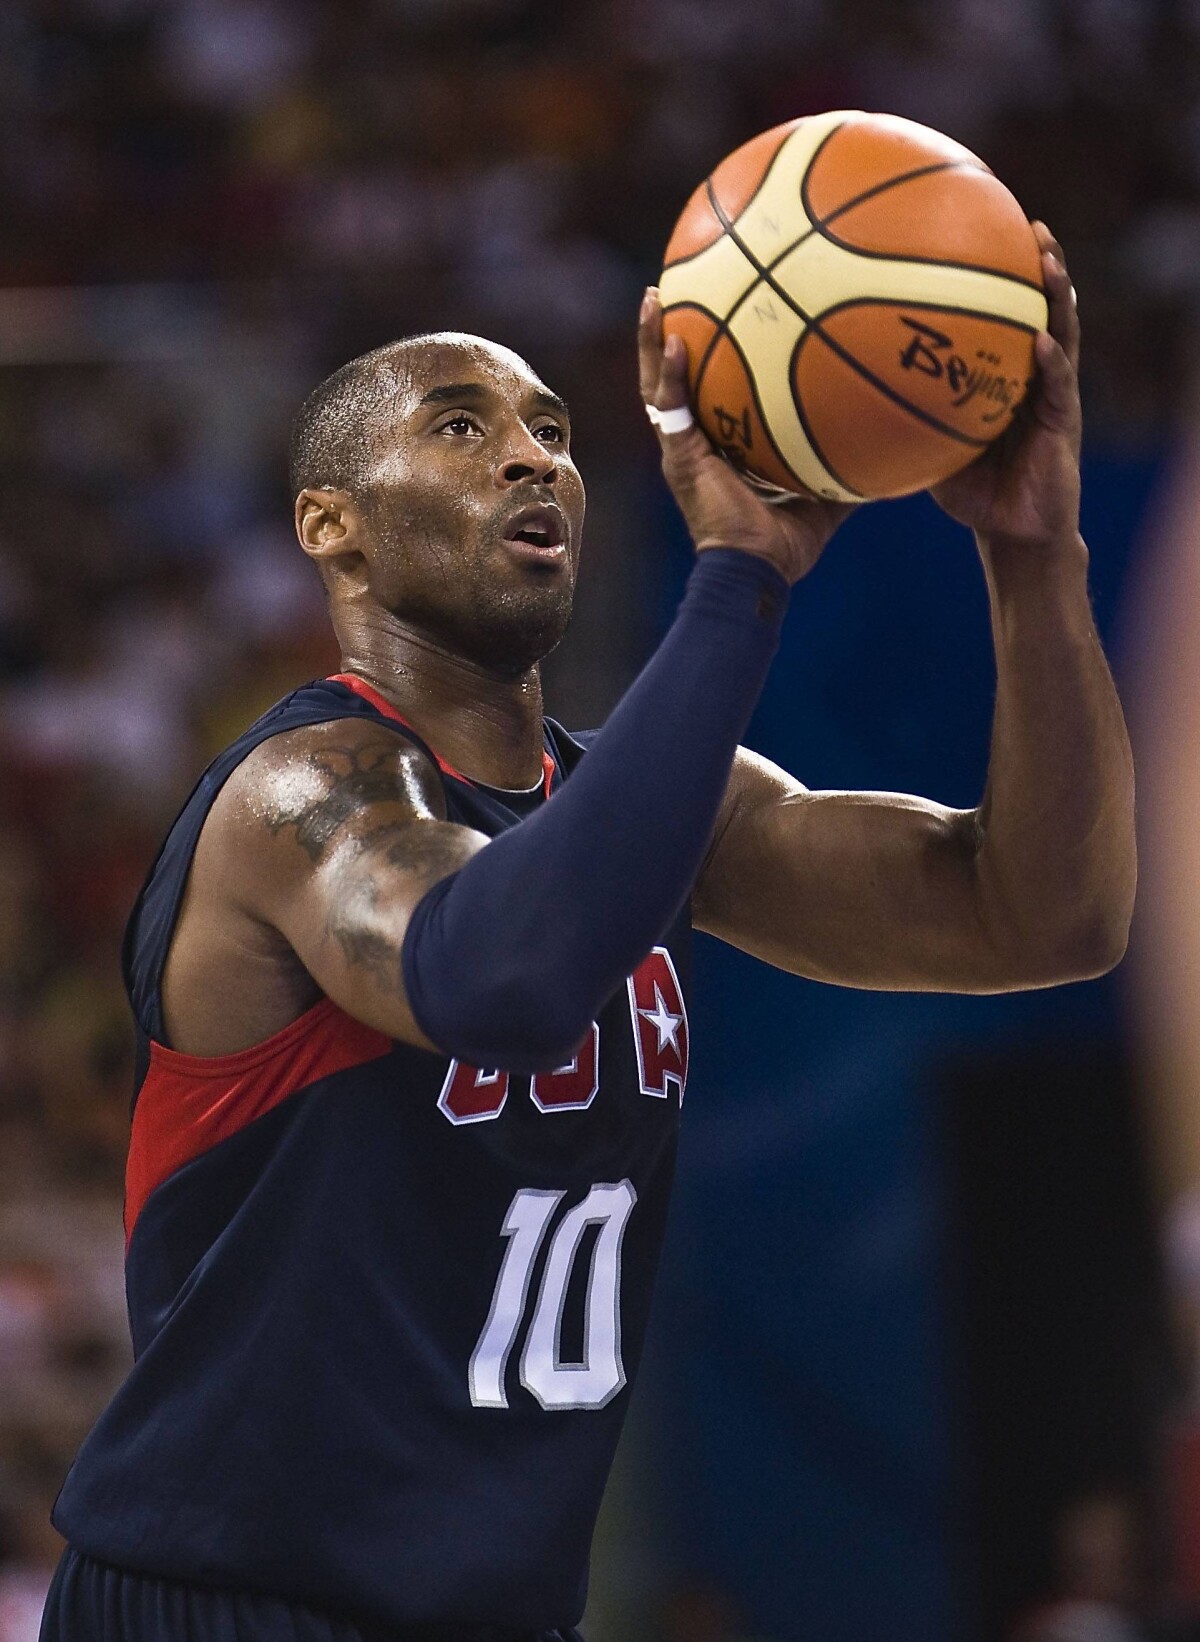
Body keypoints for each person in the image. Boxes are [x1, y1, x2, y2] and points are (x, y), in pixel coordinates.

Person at [40, 222, 1135, 1642]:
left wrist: (1035, 554)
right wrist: (738, 578)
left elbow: (1046, 914)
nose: (531, 455)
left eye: (553, 430)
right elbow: (499, 972)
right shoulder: (298, 796)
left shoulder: (664, 813)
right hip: (231, 1602)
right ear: (333, 524)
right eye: (461, 423)